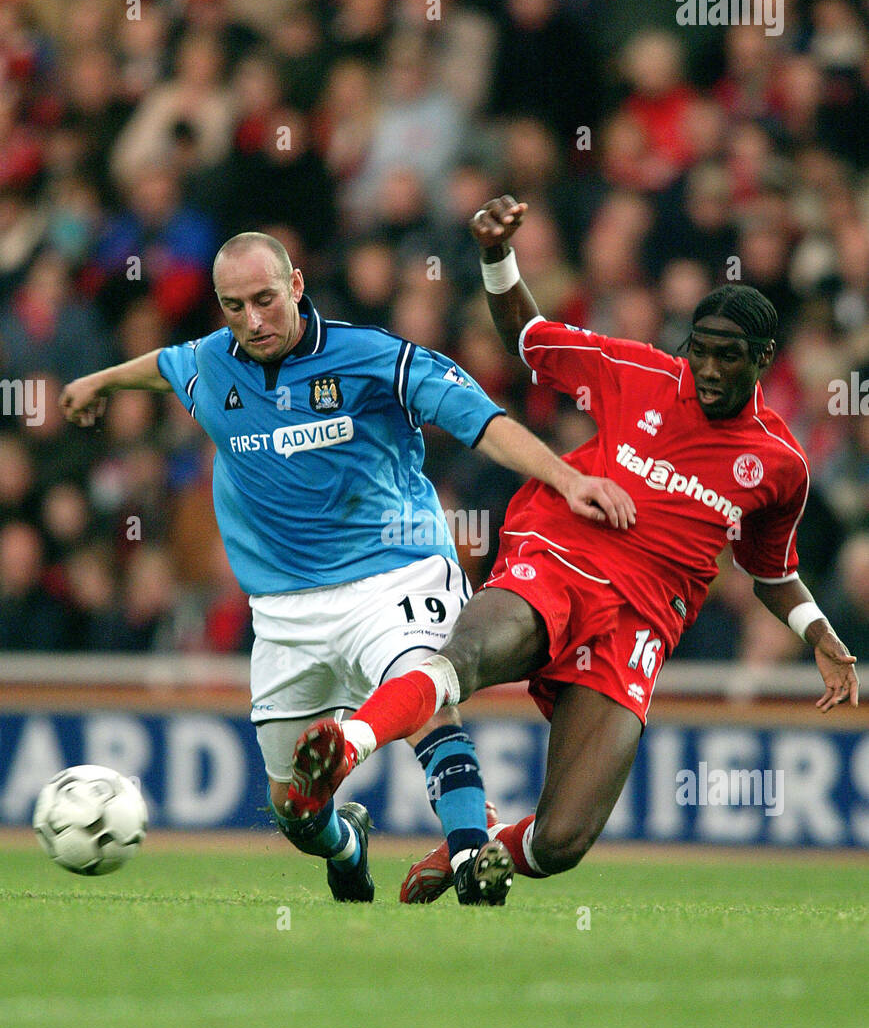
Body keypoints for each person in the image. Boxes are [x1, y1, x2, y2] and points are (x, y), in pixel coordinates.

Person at [284, 197, 860, 901]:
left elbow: (770, 570)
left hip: (638, 624)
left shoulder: (777, 465)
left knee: (562, 841)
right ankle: (346, 749)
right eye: (698, 351)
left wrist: (818, 633)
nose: (706, 370)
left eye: (727, 358)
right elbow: (528, 336)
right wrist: (497, 256)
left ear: (763, 360)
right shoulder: (641, 373)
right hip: (560, 558)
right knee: (461, 658)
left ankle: (476, 848)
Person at [59, 230, 635, 904]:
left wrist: (566, 479)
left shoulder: (370, 357)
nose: (253, 320)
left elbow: (479, 418)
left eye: (266, 299)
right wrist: (100, 379)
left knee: (426, 699)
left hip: (394, 572)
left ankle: (472, 860)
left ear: (296, 285)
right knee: (295, 809)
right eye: (234, 306)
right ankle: (346, 843)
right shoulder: (211, 364)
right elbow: (166, 364)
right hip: (282, 610)